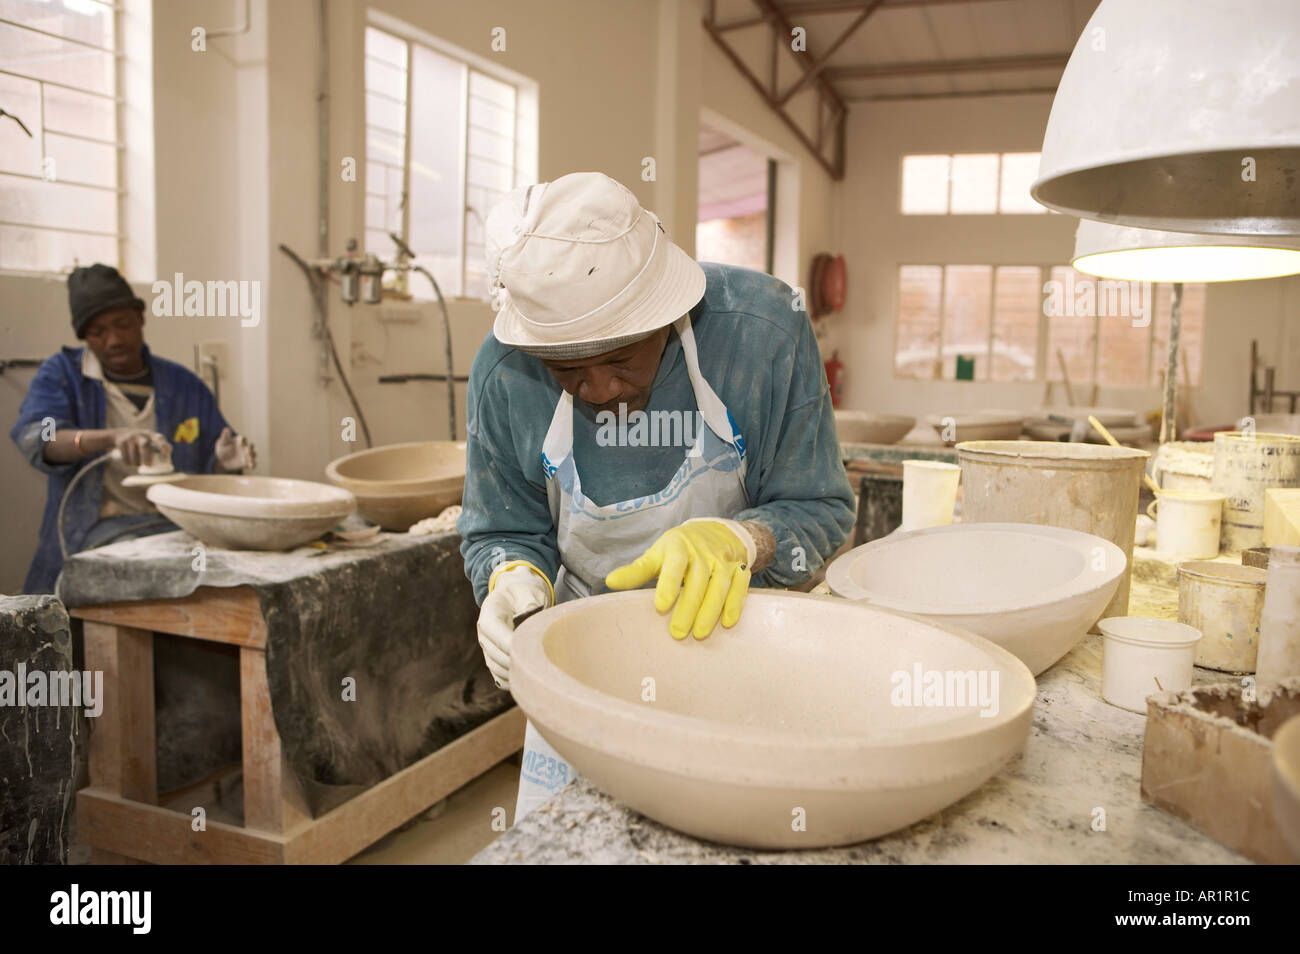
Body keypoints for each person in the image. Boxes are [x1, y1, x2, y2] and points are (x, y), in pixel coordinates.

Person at [457, 172, 855, 817]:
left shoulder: (762, 332)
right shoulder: (505, 376)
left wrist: (742, 539)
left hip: (744, 650)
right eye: (568, 371)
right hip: (585, 673)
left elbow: (821, 506)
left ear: (667, 312)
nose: (600, 390)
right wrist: (512, 578)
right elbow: (502, 527)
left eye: (622, 359)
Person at [11, 264, 256, 594]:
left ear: (141, 318)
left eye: (123, 325)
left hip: (173, 527)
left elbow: (214, 470)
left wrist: (227, 463)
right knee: (131, 584)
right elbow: (40, 436)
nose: (113, 340)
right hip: (97, 530)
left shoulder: (183, 385)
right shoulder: (63, 376)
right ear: (83, 337)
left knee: (229, 581)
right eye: (97, 332)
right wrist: (109, 438)